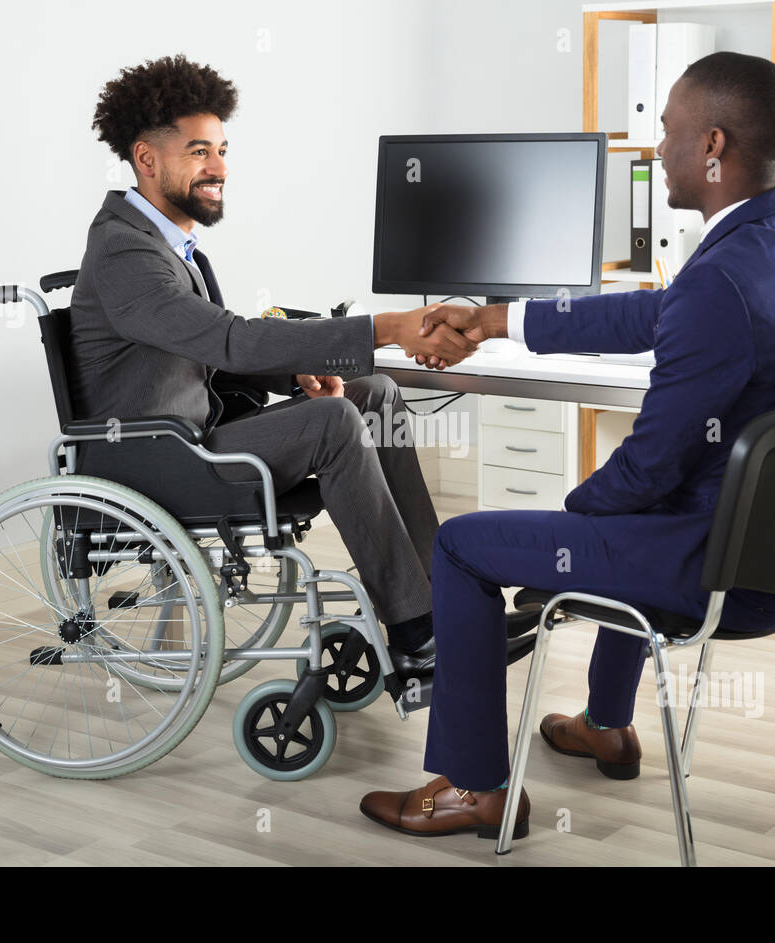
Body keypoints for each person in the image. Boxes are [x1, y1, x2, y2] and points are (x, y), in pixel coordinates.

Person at [360, 51, 775, 839]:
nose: (657, 148)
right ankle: (605, 724)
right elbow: (659, 314)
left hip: (720, 567)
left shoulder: (723, 280)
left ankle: (475, 789)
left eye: (669, 131)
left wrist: (567, 532)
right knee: (632, 502)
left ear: (713, 145)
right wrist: (497, 320)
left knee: (461, 546)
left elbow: (648, 467)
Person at [68, 55, 520, 678]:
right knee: (335, 423)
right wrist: (388, 327)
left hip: (188, 440)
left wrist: (294, 374)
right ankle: (418, 634)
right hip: (156, 460)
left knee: (373, 394)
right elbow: (229, 341)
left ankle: (435, 595)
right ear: (147, 159)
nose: (220, 168)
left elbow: (204, 356)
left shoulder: (168, 245)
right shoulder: (125, 251)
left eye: (222, 149)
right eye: (200, 152)